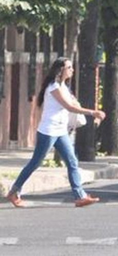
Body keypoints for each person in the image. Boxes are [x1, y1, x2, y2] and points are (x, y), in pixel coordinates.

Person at [4, 57, 105, 208]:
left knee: (72, 162)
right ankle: (14, 191)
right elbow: (69, 107)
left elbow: (72, 105)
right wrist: (93, 113)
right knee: (35, 163)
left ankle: (80, 196)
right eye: (69, 67)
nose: (72, 70)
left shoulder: (64, 87)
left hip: (60, 131)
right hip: (48, 131)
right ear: (60, 70)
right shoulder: (53, 88)